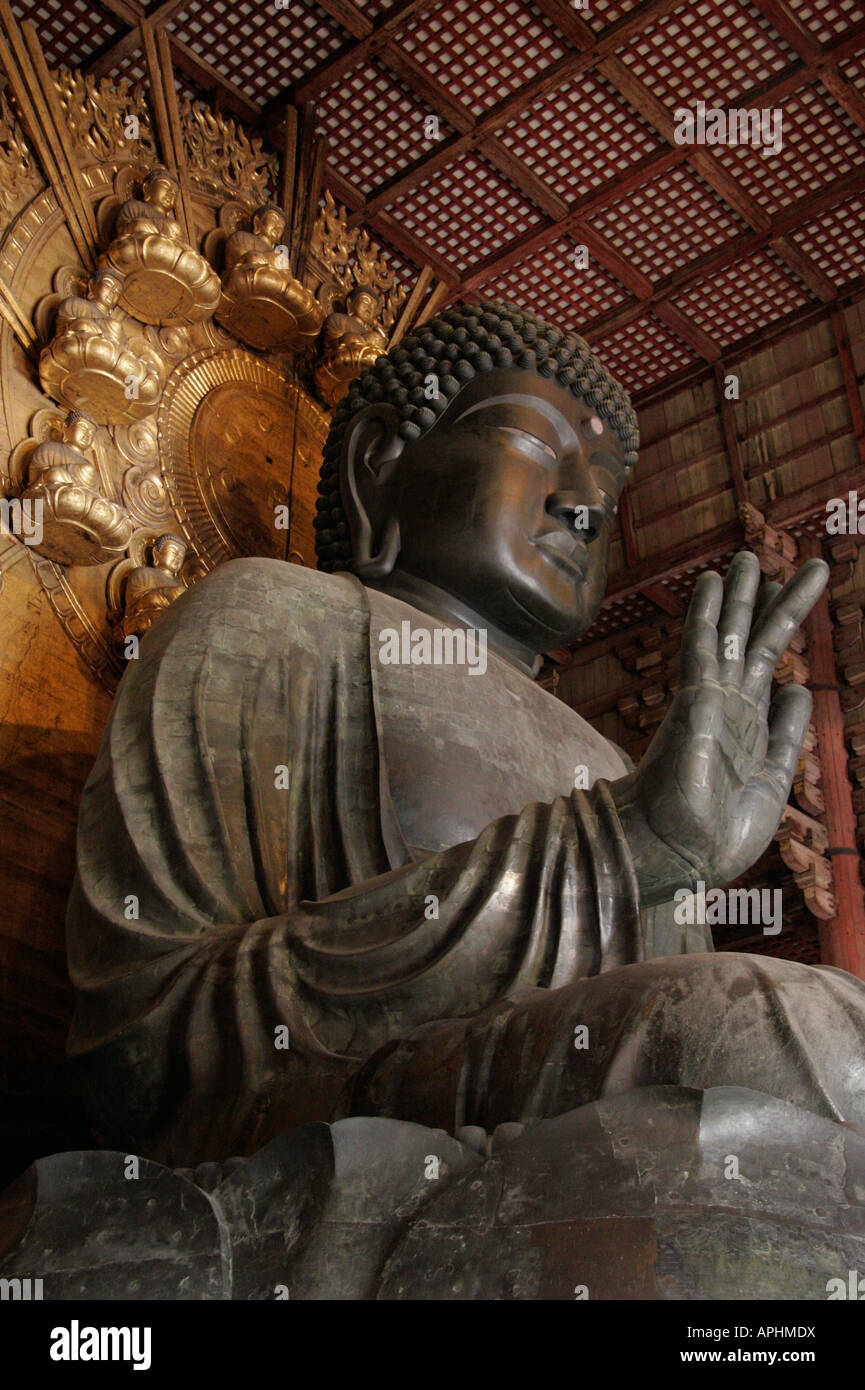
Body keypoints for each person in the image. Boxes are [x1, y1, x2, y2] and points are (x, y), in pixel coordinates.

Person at [66, 300, 864, 1185]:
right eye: (532, 443)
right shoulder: (274, 616)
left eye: (604, 483)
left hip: (582, 1104)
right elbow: (144, 1044)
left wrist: (651, 845)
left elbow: (661, 1009)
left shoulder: (611, 762)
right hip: (353, 1114)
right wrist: (618, 847)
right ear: (381, 464)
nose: (585, 506)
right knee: (791, 1039)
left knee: (823, 1043)